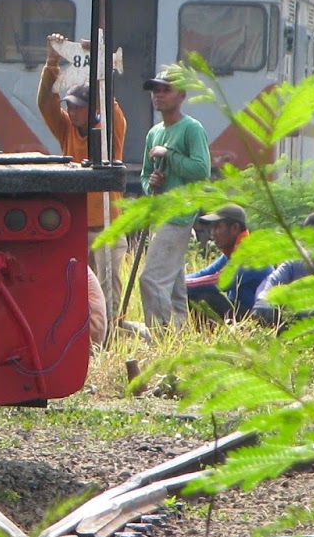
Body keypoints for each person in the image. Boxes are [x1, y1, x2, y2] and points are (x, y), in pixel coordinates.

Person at [39, 33, 128, 324]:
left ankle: (111, 341)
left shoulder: (108, 133)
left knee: (108, 294)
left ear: (93, 109)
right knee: (78, 293)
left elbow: (111, 108)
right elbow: (46, 104)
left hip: (107, 227)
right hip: (76, 228)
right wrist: (52, 61)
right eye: (70, 105)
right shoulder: (66, 131)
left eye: (77, 106)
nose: (70, 110)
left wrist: (98, 64)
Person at [138, 65, 211, 327]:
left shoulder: (191, 129)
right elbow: (146, 177)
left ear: (181, 95)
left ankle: (160, 337)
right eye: (155, 90)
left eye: (165, 89)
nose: (158, 94)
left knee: (151, 279)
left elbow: (202, 170)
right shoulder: (154, 133)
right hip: (160, 215)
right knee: (175, 287)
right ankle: (178, 334)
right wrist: (151, 183)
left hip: (179, 216)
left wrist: (169, 155)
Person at [184, 203, 271, 322]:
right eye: (212, 228)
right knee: (191, 294)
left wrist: (177, 285)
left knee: (204, 298)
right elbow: (204, 274)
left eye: (218, 227)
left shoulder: (252, 254)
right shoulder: (233, 251)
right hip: (239, 311)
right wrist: (176, 281)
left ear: (235, 228)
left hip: (255, 319)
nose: (213, 233)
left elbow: (218, 281)